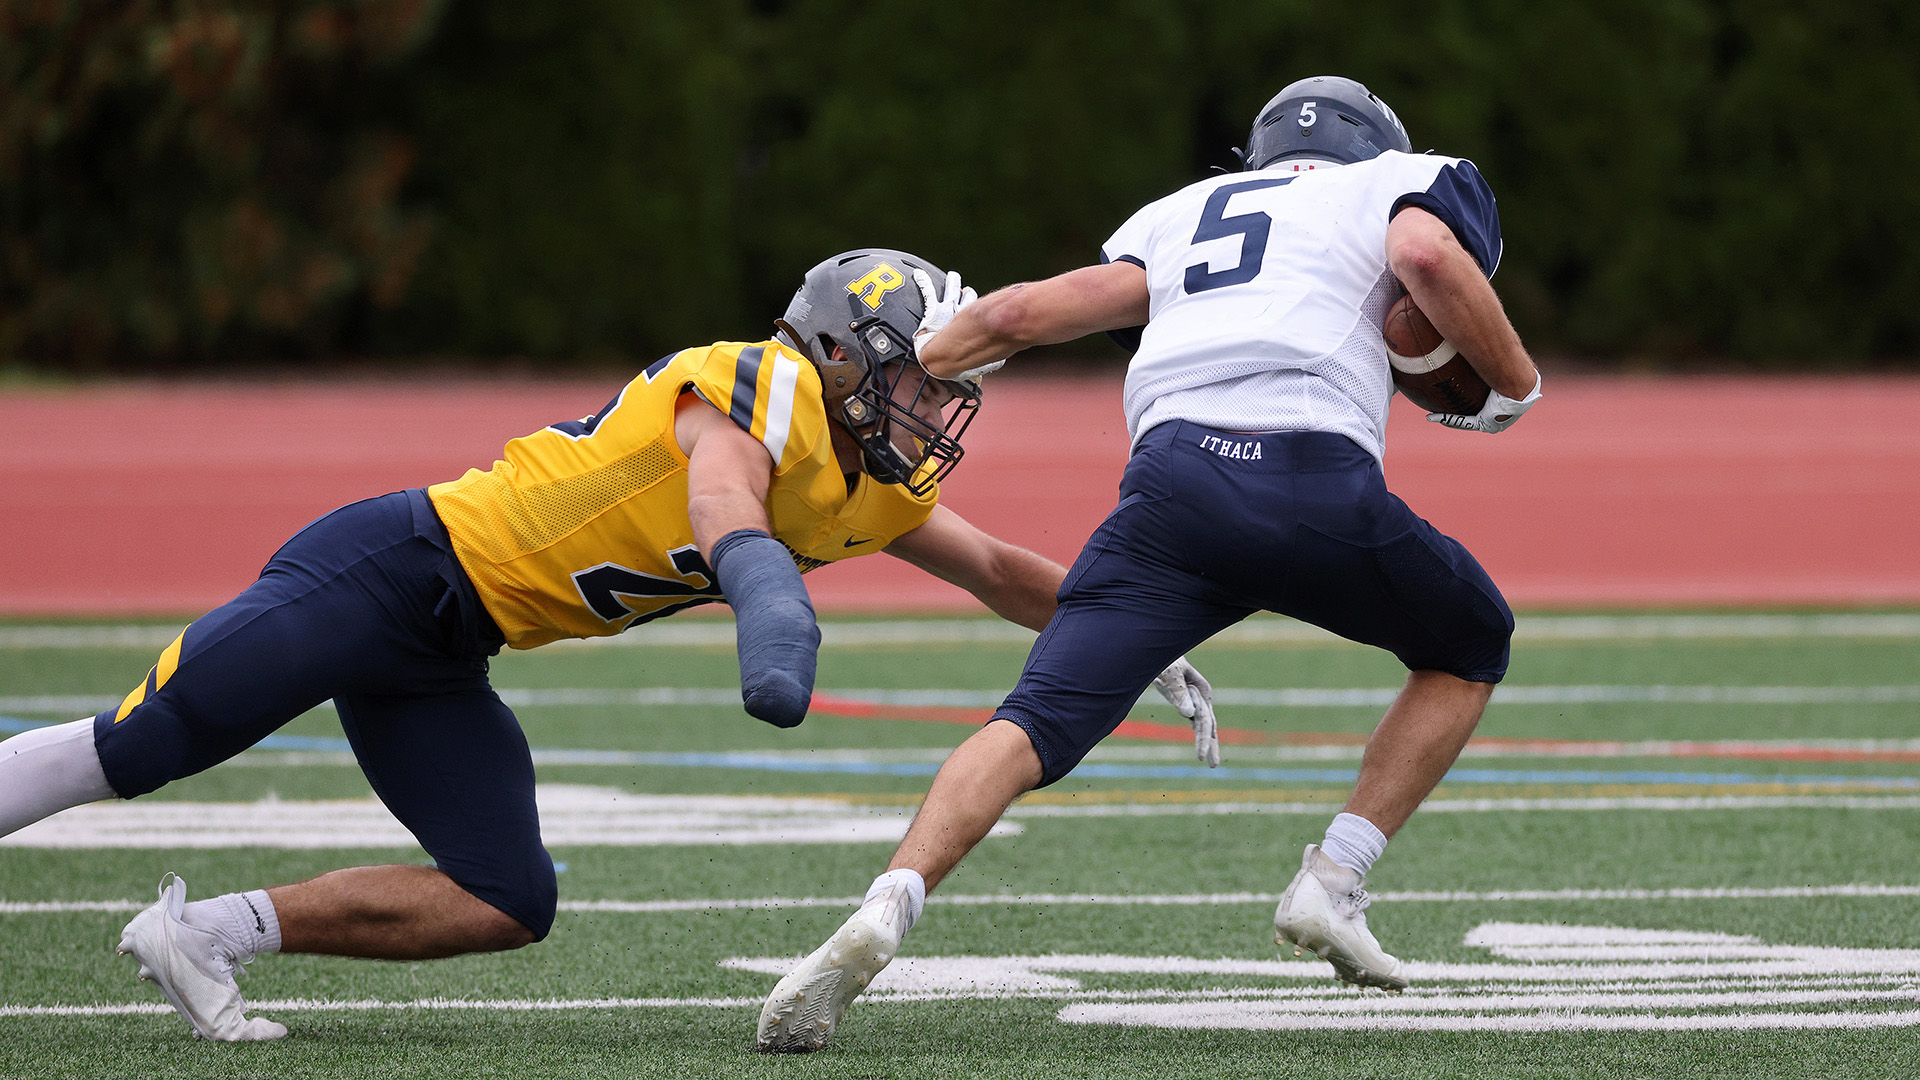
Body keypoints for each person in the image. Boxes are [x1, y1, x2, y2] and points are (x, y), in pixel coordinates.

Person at [0, 247, 1215, 1042]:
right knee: (139, 747)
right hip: (388, 570)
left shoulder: (870, 484)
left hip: (446, 651)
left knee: (508, 896)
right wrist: (771, 607)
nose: (934, 408)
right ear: (840, 357)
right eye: (916, 382)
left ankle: (203, 933)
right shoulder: (757, 385)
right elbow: (725, 504)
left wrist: (1125, 633)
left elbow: (998, 570)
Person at [755, 76, 1543, 1052]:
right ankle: (1334, 880)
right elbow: (1423, 254)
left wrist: (941, 347)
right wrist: (1513, 386)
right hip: (1309, 476)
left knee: (1028, 721)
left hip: (1170, 491)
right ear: (1378, 147)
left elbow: (1024, 315)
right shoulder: (1401, 182)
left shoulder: (1185, 211)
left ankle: (889, 903)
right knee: (1471, 643)